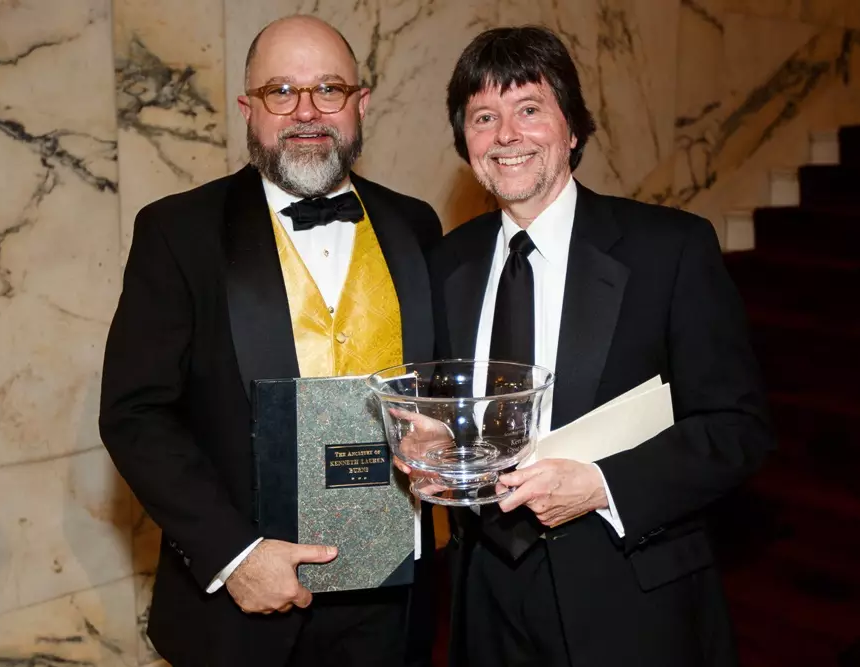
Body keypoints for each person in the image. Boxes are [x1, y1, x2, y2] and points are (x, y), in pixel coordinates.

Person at [99, 15, 441, 667]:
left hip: (394, 605)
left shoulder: (416, 224)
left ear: (360, 104)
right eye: (281, 91)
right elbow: (134, 412)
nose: (306, 111)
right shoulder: (179, 231)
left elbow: (442, 382)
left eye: (329, 89)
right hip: (244, 607)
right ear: (248, 109)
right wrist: (235, 554)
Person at [429, 26, 775, 667]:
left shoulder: (669, 250)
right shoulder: (446, 263)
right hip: (484, 602)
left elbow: (738, 429)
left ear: (573, 129)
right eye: (484, 116)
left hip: (630, 596)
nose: (506, 134)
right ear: (466, 144)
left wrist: (601, 485)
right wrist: (432, 442)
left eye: (529, 109)